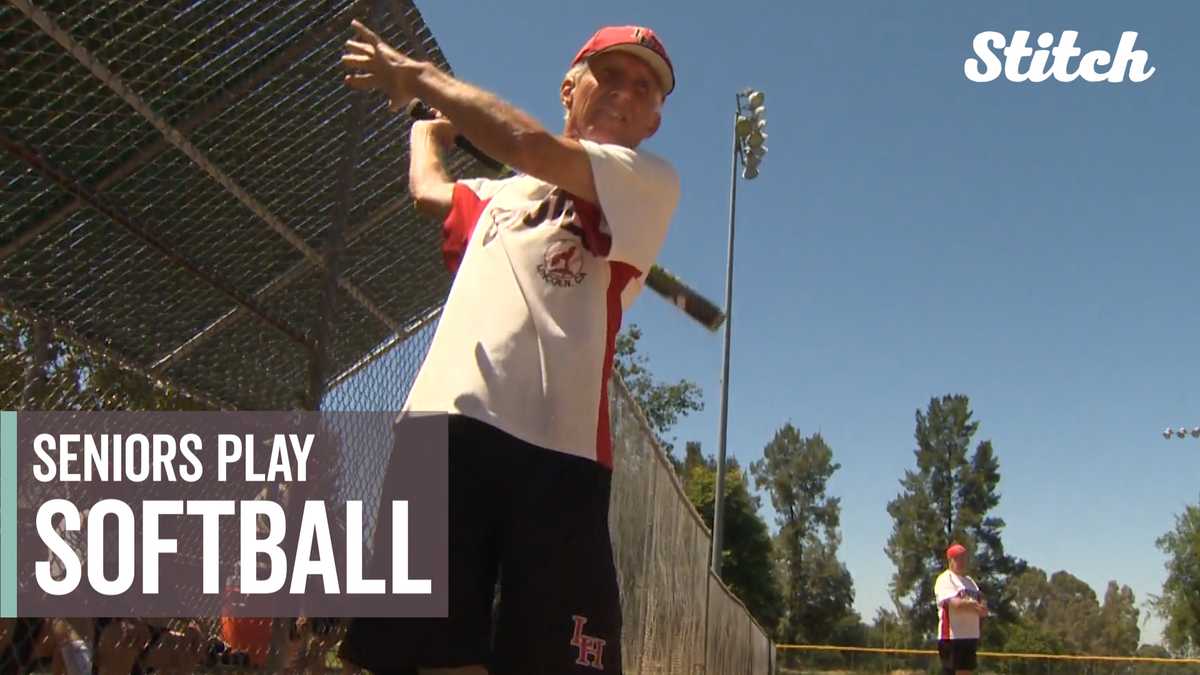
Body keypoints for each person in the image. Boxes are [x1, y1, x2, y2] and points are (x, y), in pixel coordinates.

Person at [337, 19, 680, 675]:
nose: (625, 92)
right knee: (431, 654)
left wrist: (417, 79)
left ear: (655, 122)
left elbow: (528, 144)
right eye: (609, 73)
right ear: (569, 85)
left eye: (645, 87)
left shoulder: (647, 182)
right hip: (442, 426)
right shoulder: (495, 194)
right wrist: (425, 131)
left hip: (560, 452)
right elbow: (429, 191)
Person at [934, 543, 988, 675]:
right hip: (953, 637)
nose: (962, 561)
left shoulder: (970, 581)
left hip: (970, 636)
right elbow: (955, 604)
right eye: (958, 558)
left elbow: (982, 602)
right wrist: (974, 605)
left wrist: (980, 606)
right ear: (950, 560)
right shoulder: (945, 579)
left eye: (964, 558)